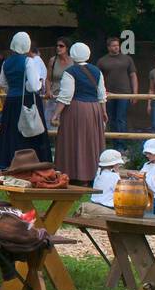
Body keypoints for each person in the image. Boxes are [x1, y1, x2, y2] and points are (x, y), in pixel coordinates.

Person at [50, 42, 107, 185]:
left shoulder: (70, 72)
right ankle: (91, 175)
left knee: (75, 140)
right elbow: (101, 94)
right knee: (91, 142)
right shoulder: (96, 71)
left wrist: (56, 113)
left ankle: (74, 174)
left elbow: (66, 96)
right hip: (94, 108)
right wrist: (104, 112)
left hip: (76, 110)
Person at [0, 32, 51, 170]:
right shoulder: (28, 61)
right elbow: (33, 86)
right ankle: (33, 162)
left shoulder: (6, 62)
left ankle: (10, 162)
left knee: (12, 133)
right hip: (27, 100)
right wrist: (33, 85)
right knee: (30, 131)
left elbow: (2, 83)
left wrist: (13, 89)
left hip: (11, 101)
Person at [97, 37, 137, 133]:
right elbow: (97, 79)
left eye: (117, 45)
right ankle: (115, 143)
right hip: (108, 94)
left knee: (121, 118)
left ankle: (121, 145)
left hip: (124, 93)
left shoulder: (127, 59)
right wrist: (100, 93)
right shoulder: (102, 61)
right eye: (114, 45)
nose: (116, 47)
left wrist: (135, 93)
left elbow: (133, 76)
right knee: (111, 118)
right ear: (108, 47)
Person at [78, 149, 131, 217]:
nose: (119, 166)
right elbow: (121, 193)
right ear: (114, 165)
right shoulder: (114, 176)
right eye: (118, 164)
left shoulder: (99, 174)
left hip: (95, 203)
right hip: (107, 207)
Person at [44, 37, 73, 127]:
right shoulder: (53, 60)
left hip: (69, 99)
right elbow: (48, 79)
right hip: (54, 97)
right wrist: (48, 90)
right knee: (50, 125)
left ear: (67, 48)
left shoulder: (73, 62)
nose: (58, 48)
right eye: (57, 46)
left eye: (61, 46)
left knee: (67, 126)